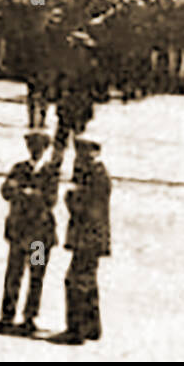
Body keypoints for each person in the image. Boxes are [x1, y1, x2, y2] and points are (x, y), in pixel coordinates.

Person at [0, 131, 59, 335]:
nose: (35, 151)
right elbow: (6, 191)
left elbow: (50, 199)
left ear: (45, 149)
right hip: (19, 231)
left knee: (36, 276)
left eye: (39, 148)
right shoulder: (19, 168)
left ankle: (30, 316)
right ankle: (7, 315)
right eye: (32, 147)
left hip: (40, 235)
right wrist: (28, 193)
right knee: (13, 274)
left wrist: (24, 193)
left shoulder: (51, 171)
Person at [55, 138, 111, 344]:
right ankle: (91, 327)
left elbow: (83, 207)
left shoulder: (93, 176)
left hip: (79, 239)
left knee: (75, 281)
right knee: (87, 280)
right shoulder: (95, 174)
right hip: (90, 238)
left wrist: (71, 198)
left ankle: (76, 329)